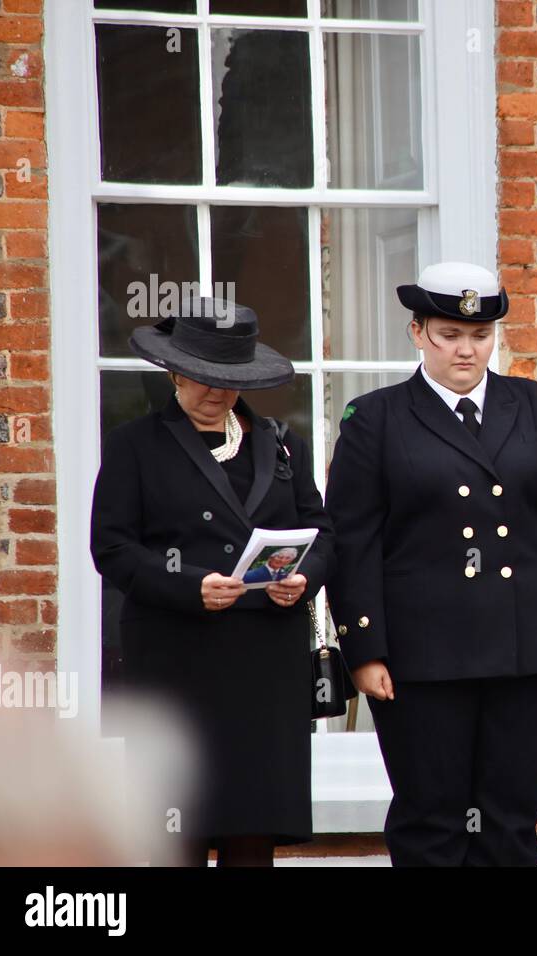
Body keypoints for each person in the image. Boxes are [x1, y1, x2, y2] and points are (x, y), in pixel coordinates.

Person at [324, 262, 537, 866]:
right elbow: (353, 542)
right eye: (449, 334)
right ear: (418, 332)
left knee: (510, 819)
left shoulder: (536, 406)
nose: (466, 349)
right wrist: (364, 648)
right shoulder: (374, 419)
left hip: (528, 646)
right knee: (432, 819)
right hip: (421, 654)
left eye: (479, 336)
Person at [90, 297, 334, 866]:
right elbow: (112, 548)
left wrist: (302, 579)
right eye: (202, 378)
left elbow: (322, 532)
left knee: (252, 832)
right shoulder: (134, 446)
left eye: (229, 380)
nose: (216, 393)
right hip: (179, 662)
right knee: (179, 835)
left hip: (265, 668)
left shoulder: (281, 444)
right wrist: (188, 584)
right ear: (175, 371)